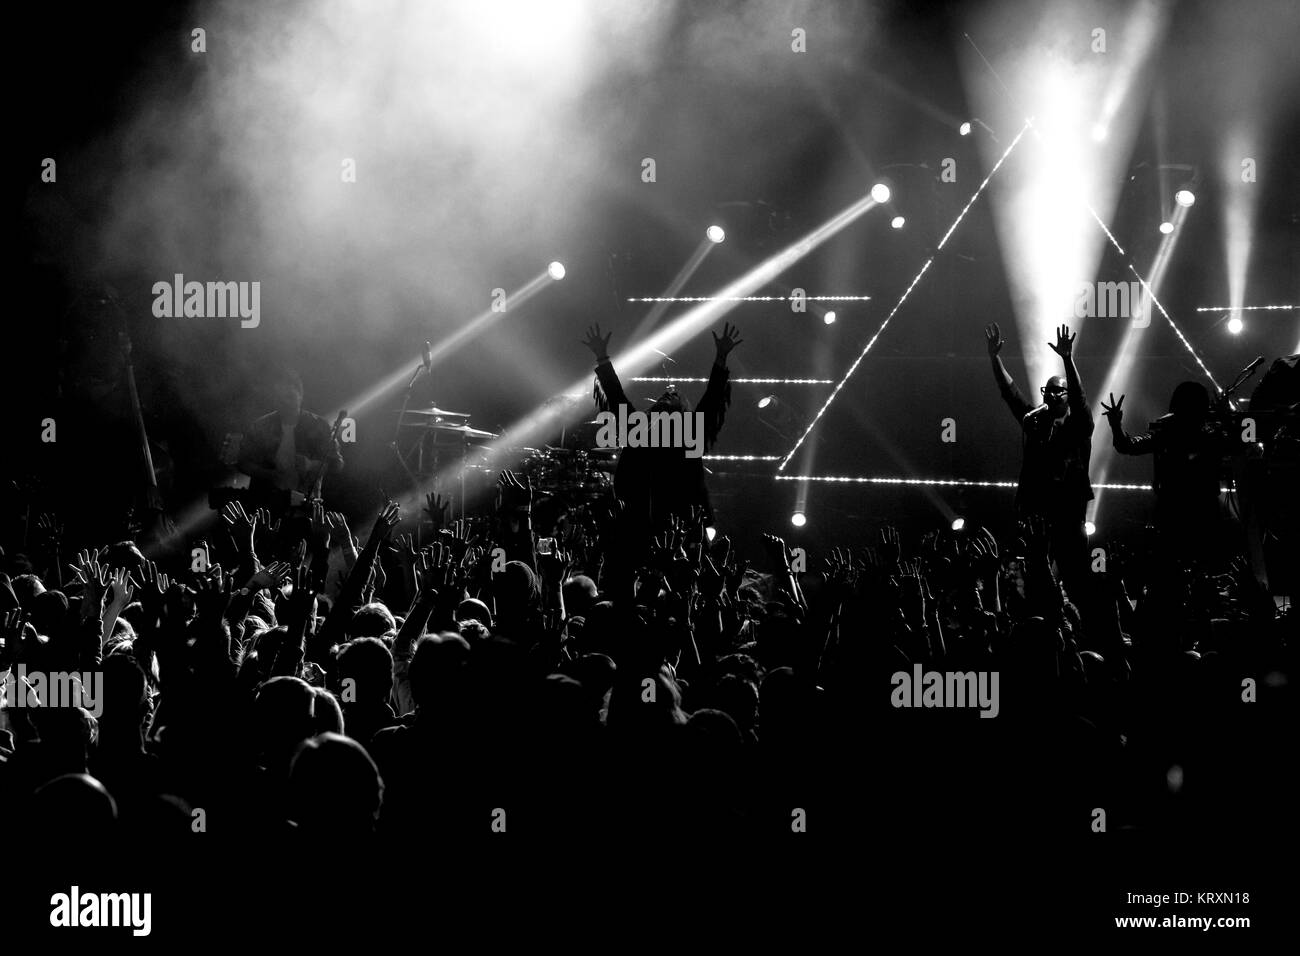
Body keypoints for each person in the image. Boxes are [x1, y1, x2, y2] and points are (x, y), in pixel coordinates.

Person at [985, 323, 1094, 594]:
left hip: (1068, 510)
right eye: (1049, 390)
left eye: (1059, 391)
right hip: (1037, 508)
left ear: (1067, 398)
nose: (1052, 394)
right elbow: (1010, 395)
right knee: (1035, 570)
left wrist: (1067, 359)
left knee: (1073, 571)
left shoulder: (1078, 426)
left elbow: (1080, 400)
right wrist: (995, 358)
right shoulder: (1034, 422)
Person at [1100, 382, 1231, 566]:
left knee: (1182, 566)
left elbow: (1127, 445)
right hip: (1189, 508)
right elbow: (1127, 446)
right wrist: (1226, 418)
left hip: (1181, 508)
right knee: (1198, 564)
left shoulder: (1192, 431)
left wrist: (1116, 424)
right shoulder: (1202, 431)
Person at [236, 368, 344, 513]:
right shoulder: (261, 426)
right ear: (275, 398)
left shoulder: (319, 426)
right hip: (267, 507)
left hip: (305, 508)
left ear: (300, 395)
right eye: (281, 397)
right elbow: (242, 462)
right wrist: (269, 475)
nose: (286, 402)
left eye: (290, 396)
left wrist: (311, 465)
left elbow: (336, 464)